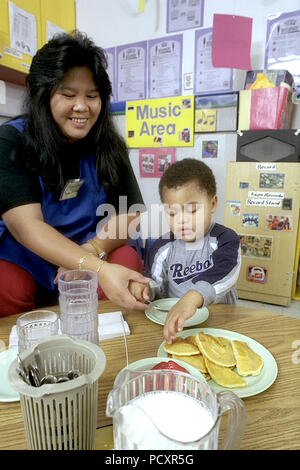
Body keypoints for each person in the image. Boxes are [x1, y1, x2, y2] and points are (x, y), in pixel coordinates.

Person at [0, 30, 150, 317]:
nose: (82, 106)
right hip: (27, 253)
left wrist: (92, 251)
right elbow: (26, 227)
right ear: (41, 94)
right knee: (6, 285)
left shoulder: (108, 144)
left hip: (93, 243)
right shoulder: (11, 140)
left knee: (127, 262)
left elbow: (128, 213)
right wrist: (95, 267)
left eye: (92, 96)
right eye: (68, 94)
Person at [129, 158, 241, 343]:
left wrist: (192, 297)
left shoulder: (226, 239)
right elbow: (156, 283)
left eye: (192, 210)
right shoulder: (161, 247)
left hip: (221, 321)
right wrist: (145, 288)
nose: (182, 220)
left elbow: (226, 272)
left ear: (212, 204)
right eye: (172, 213)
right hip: (179, 325)